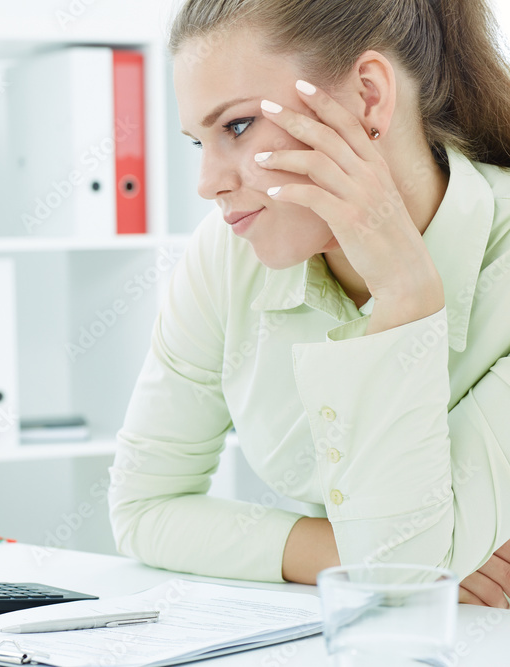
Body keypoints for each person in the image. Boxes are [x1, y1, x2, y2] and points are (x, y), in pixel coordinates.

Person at [108, 0, 510, 608]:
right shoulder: (227, 256)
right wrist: (358, 556)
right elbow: (143, 508)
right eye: (197, 142)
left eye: (237, 126)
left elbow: (397, 575)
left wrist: (405, 294)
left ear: (368, 96)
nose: (207, 183)